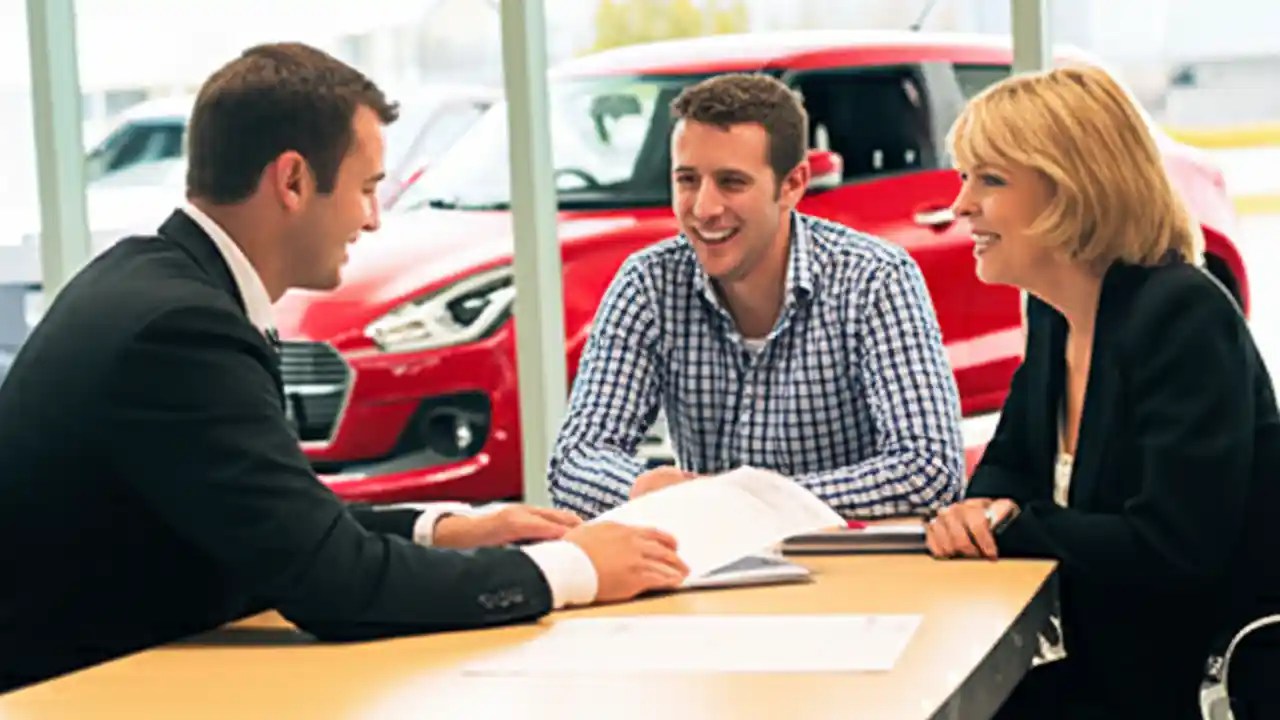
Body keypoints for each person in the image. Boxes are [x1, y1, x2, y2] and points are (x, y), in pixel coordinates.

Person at [0, 43, 689, 694]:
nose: (373, 220)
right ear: (294, 180)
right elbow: (334, 585)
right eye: (367, 188)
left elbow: (276, 520)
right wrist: (573, 570)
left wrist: (449, 528)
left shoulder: (150, 282)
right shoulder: (181, 332)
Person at [925, 64, 1280, 718]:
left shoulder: (1183, 317)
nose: (959, 206)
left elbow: (1174, 546)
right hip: (1105, 670)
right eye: (964, 177)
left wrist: (1014, 527)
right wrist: (974, 516)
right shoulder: (1055, 314)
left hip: (1193, 688)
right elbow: (1006, 469)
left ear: (1073, 190)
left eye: (990, 180)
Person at [547, 72, 964, 519]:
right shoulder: (648, 284)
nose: (704, 208)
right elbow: (574, 462)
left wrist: (745, 502)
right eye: (687, 180)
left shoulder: (874, 279)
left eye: (731, 182)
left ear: (793, 185)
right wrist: (643, 486)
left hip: (850, 564)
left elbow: (930, 469)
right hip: (714, 567)